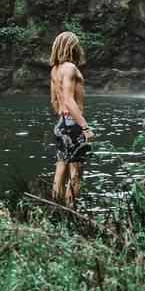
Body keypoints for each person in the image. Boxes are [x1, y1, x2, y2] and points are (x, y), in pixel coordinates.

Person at [48, 30, 94, 206]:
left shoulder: (55, 69)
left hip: (60, 123)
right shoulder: (70, 68)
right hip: (73, 124)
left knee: (61, 168)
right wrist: (85, 127)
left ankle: (55, 209)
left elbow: (54, 100)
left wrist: (62, 119)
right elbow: (68, 99)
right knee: (76, 172)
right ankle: (72, 213)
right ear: (72, 47)